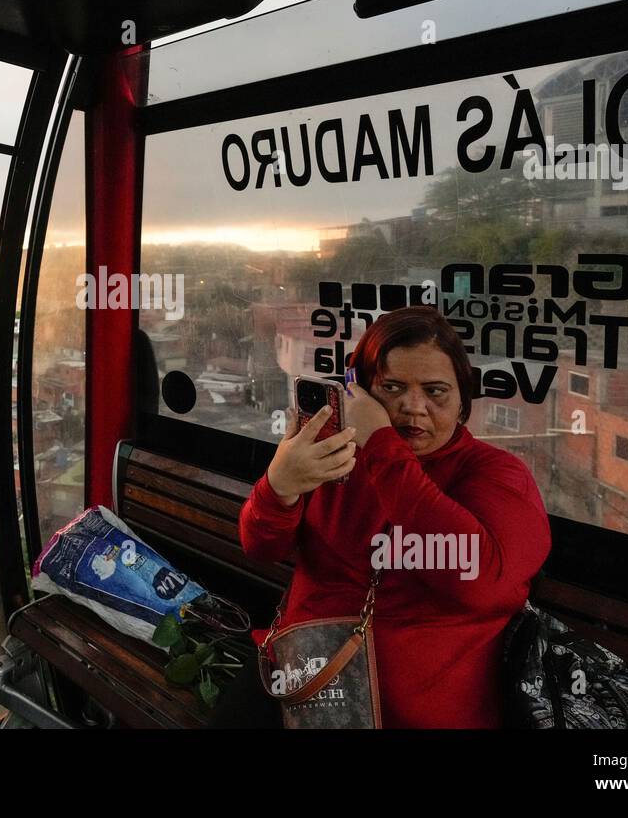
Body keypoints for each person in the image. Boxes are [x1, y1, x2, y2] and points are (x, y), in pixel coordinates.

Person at [212, 305, 551, 728]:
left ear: (463, 400)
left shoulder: (495, 474)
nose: (414, 407)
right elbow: (261, 547)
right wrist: (278, 488)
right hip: (305, 670)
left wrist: (383, 445)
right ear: (362, 393)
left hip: (413, 708)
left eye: (436, 391)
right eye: (391, 388)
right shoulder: (336, 457)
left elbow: (477, 581)